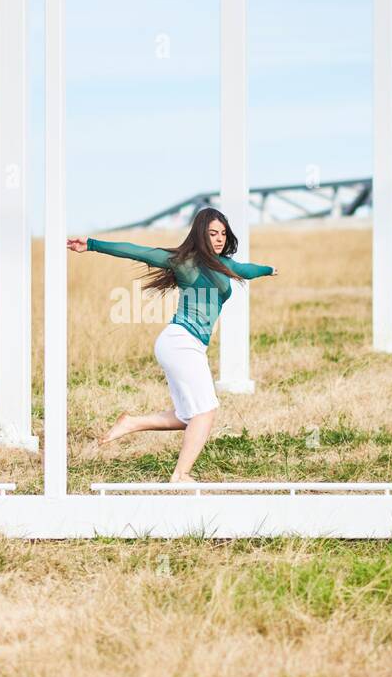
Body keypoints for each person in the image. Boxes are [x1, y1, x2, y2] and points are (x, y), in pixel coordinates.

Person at [67, 207, 277, 483]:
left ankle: (132, 423)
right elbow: (137, 251)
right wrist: (93, 245)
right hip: (181, 341)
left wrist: (268, 269)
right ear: (201, 234)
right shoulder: (183, 261)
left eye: (223, 234)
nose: (219, 239)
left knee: (190, 417)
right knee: (206, 412)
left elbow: (246, 270)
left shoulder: (224, 265)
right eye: (213, 233)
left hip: (187, 345)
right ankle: (180, 475)